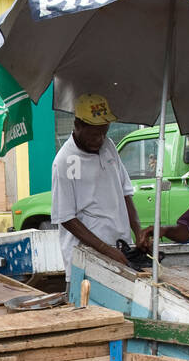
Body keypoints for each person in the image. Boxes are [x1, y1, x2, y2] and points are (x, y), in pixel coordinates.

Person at [50, 93, 144, 270]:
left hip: (120, 250)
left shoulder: (108, 146)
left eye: (103, 132)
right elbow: (67, 218)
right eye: (93, 135)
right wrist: (106, 250)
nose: (99, 139)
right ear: (77, 125)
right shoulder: (65, 161)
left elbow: (125, 193)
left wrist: (138, 232)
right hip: (86, 260)